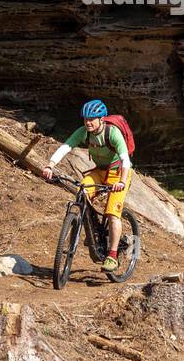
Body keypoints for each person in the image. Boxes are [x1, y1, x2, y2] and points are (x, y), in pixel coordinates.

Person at [42, 100, 131, 271]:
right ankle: (94, 228)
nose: (88, 122)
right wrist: (50, 165)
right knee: (82, 190)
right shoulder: (84, 132)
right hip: (99, 171)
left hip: (118, 172)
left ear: (101, 119)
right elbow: (66, 146)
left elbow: (125, 159)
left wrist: (121, 181)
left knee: (113, 214)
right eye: (85, 119)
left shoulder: (112, 133)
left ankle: (112, 256)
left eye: (92, 119)